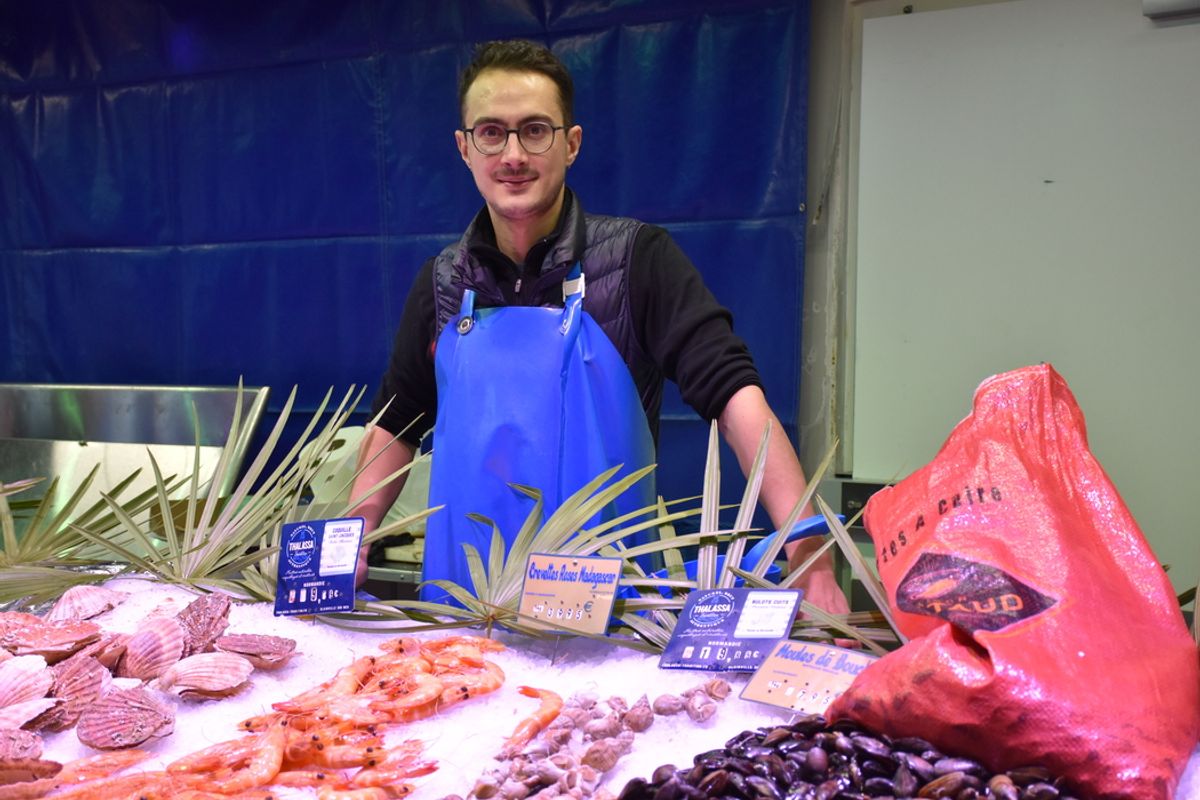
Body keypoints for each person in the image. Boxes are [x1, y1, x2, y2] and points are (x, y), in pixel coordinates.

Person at [350, 39, 849, 618]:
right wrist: (350, 538)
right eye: (492, 132)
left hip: (607, 617)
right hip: (461, 615)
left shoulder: (637, 259)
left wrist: (809, 550)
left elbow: (736, 397)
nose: (513, 154)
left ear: (572, 144)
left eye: (535, 130)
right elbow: (396, 422)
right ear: (465, 148)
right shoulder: (441, 282)